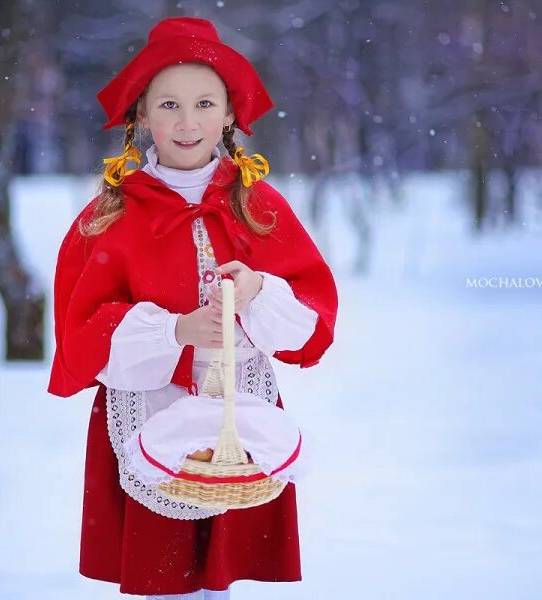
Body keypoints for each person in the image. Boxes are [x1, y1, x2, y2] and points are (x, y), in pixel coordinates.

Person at [46, 16, 338, 600]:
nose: (187, 122)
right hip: (148, 415)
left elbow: (311, 316)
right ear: (141, 117)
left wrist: (258, 291)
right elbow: (81, 332)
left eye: (205, 103)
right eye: (169, 105)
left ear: (229, 114)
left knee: (218, 573)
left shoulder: (257, 204)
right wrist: (174, 330)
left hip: (238, 414)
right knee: (163, 575)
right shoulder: (111, 216)